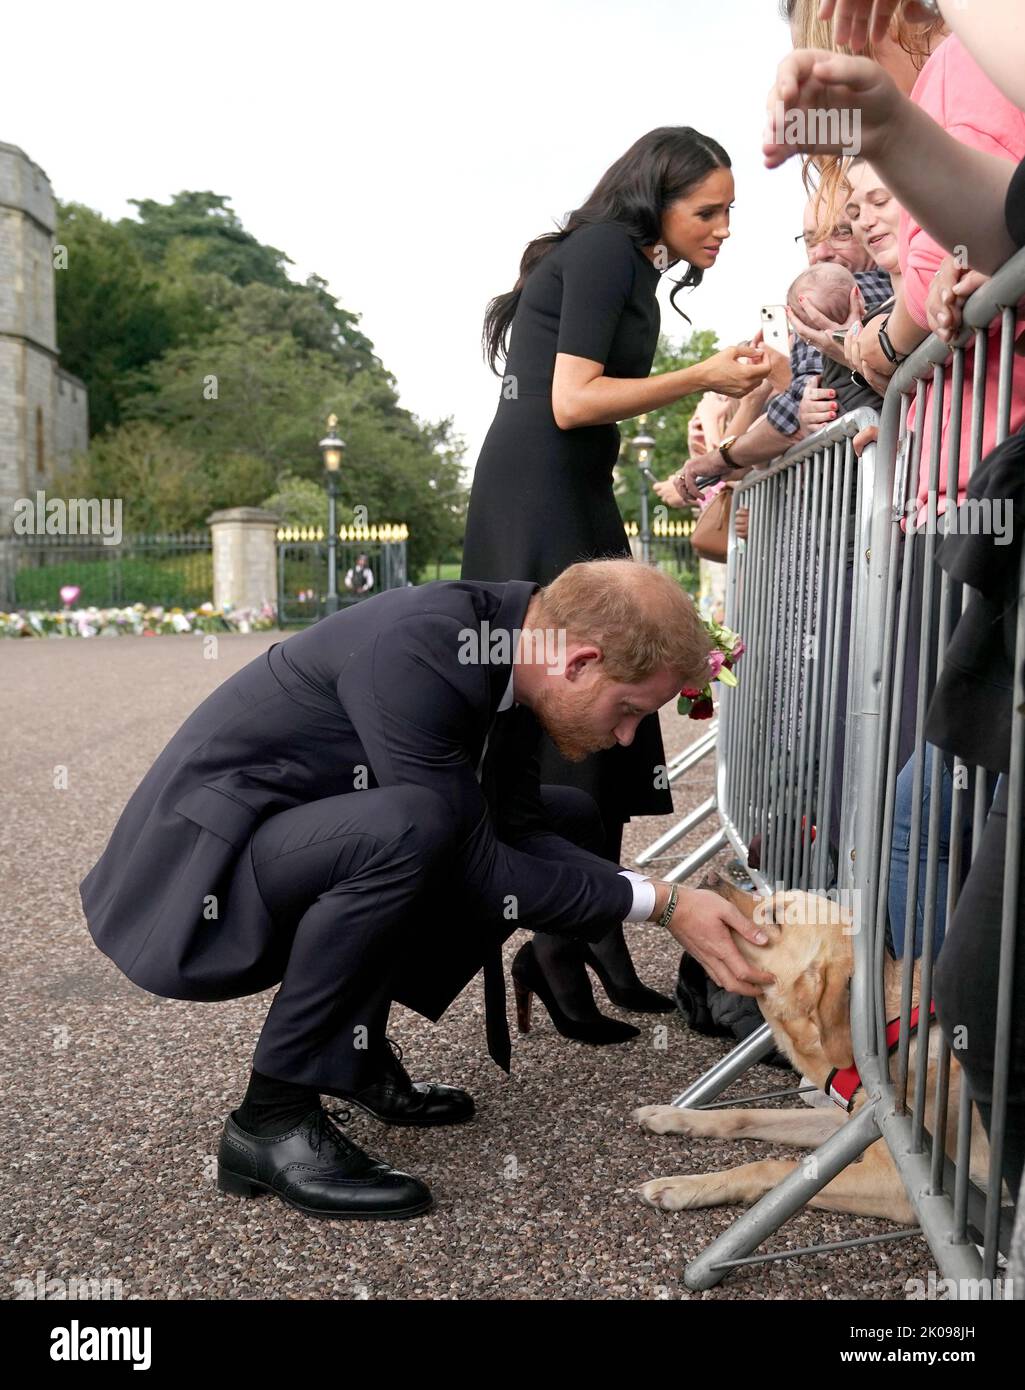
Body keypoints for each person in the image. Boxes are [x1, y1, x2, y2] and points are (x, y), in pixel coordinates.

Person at [78, 559, 774, 1220]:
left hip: (288, 847)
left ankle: (353, 1054)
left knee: (566, 815)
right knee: (414, 827)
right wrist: (667, 906)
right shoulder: (423, 646)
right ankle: (271, 1120)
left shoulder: (509, 648)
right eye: (627, 710)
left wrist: (656, 892)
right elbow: (473, 864)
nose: (625, 738)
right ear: (579, 661)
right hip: (196, 876)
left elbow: (520, 833)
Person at [461, 127, 772, 1042]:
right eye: (705, 211)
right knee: (575, 711)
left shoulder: (625, 261)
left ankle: (587, 929)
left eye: (727, 213)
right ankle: (564, 939)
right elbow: (571, 399)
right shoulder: (603, 251)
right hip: (538, 493)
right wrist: (704, 375)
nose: (720, 230)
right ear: (655, 200)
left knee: (606, 711)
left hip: (570, 489)